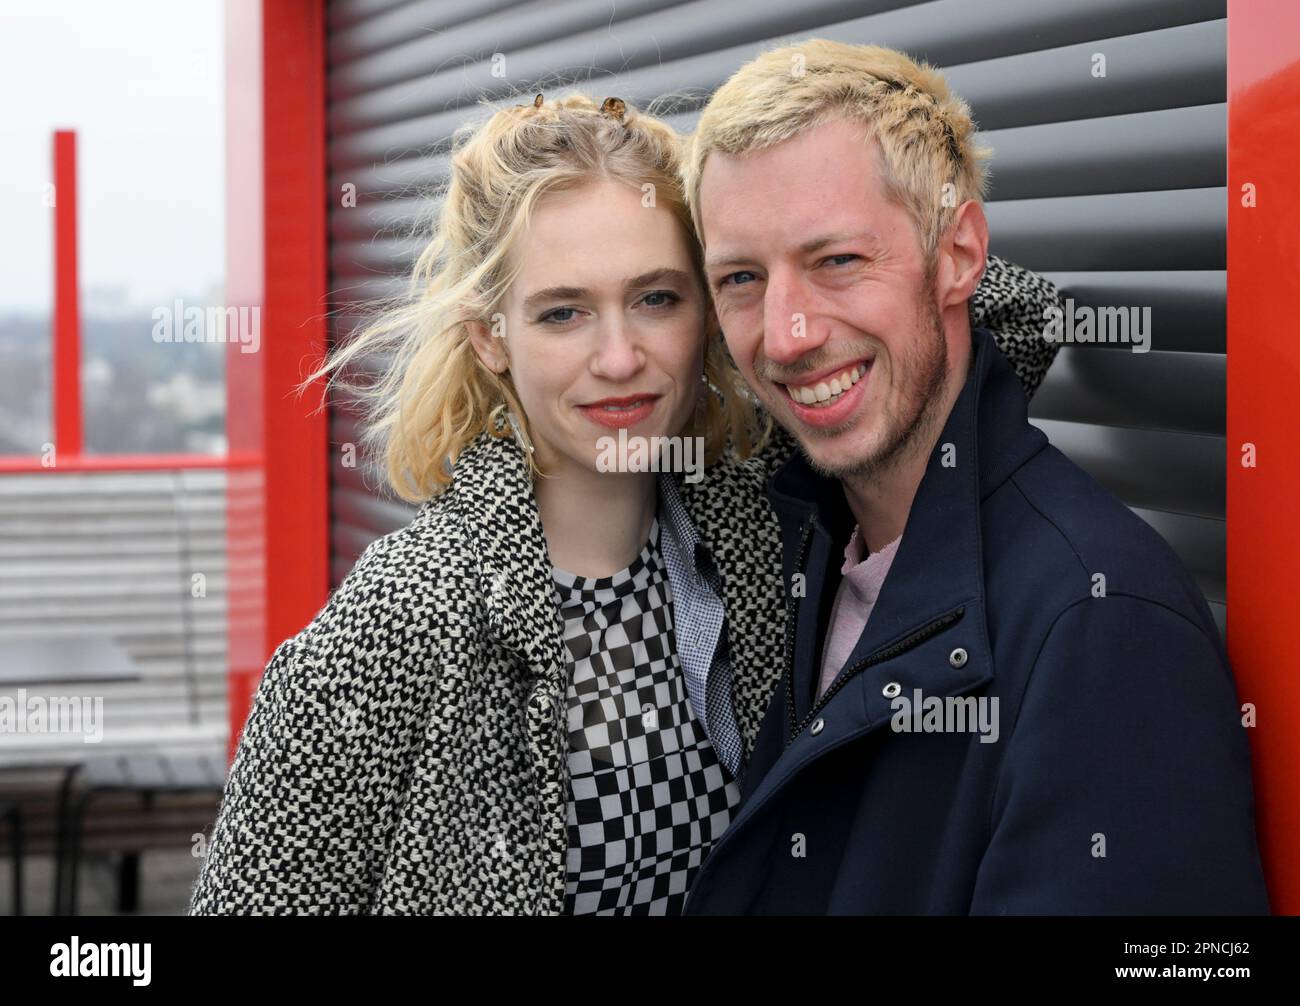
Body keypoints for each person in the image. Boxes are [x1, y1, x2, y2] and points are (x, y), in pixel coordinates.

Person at [188, 90, 1060, 915]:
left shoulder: (766, 522)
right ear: (491, 337)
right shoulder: (406, 616)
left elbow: (1011, 319)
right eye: (563, 312)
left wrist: (765, 254)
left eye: (656, 298)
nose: (618, 357)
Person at [675, 39, 1270, 915]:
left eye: (837, 260)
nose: (786, 333)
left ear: (958, 257)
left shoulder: (1101, 628)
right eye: (740, 278)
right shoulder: (803, 541)